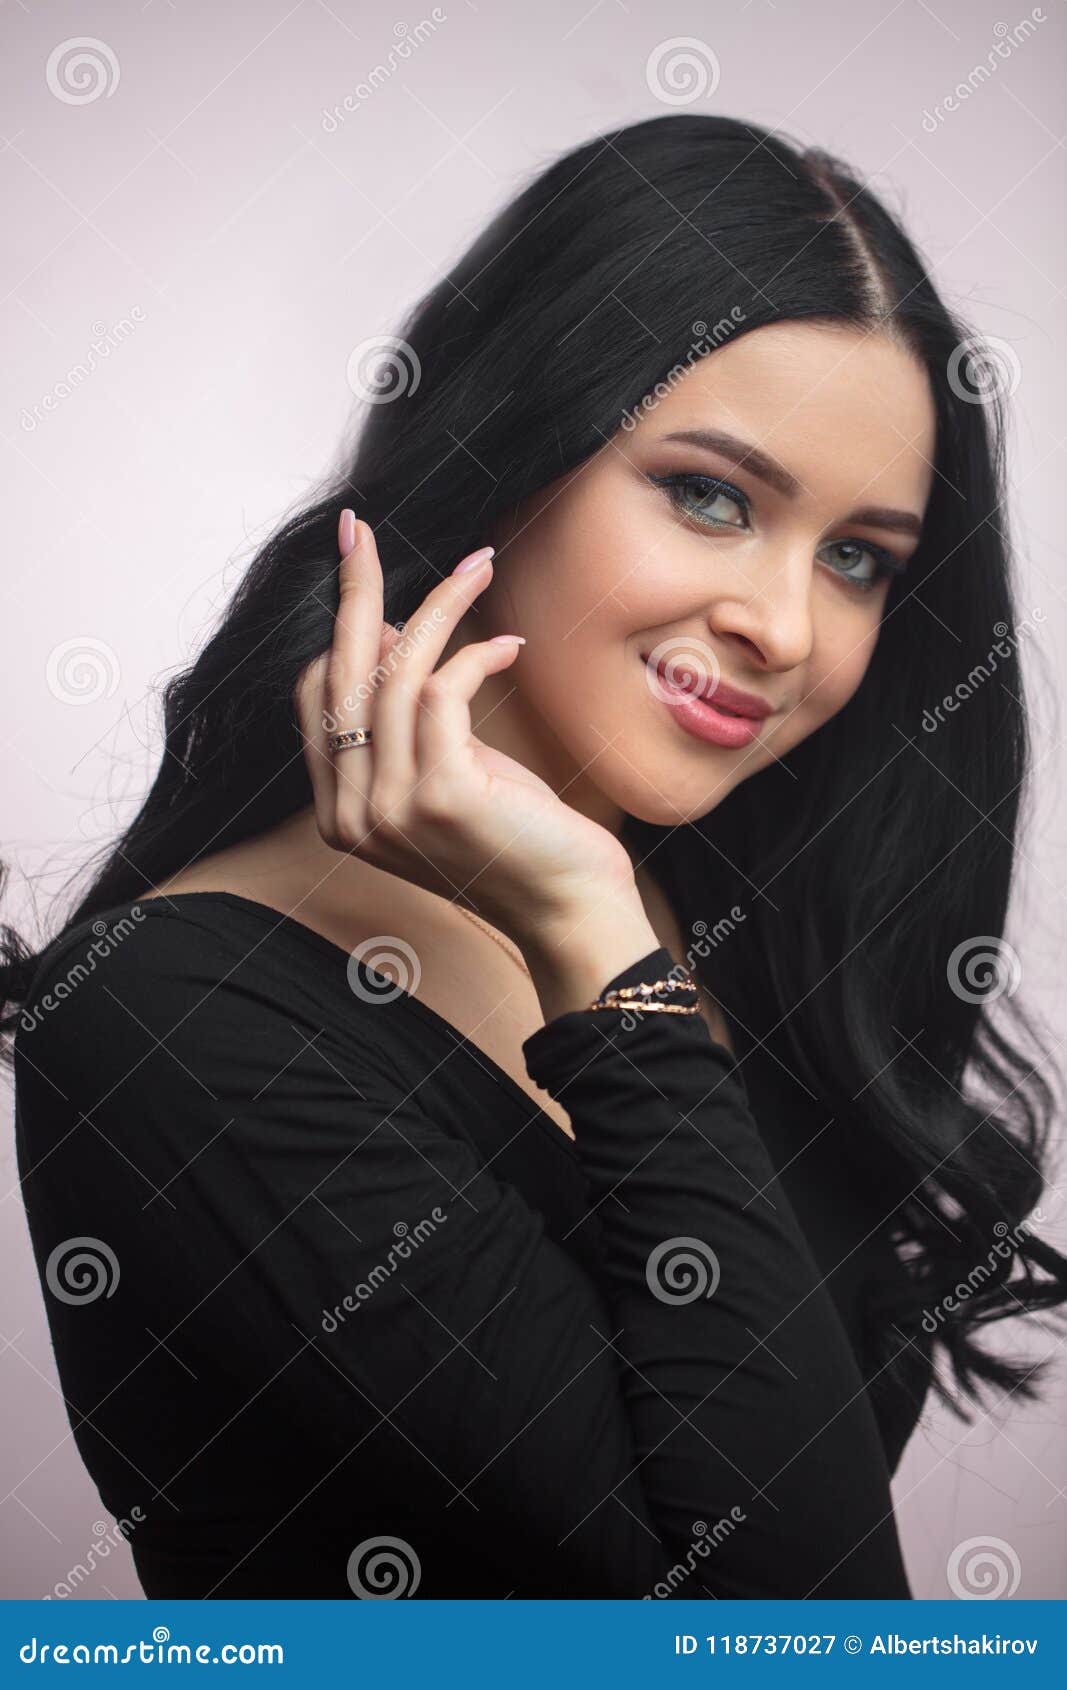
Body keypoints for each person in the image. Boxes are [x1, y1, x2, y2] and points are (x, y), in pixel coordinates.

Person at [6, 113, 1066, 1599]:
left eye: (858, 558)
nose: (789, 625)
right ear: (513, 446)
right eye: (712, 493)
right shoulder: (170, 1021)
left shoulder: (757, 931)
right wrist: (589, 936)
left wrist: (602, 931)